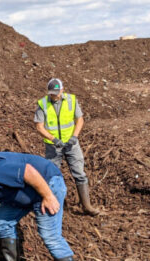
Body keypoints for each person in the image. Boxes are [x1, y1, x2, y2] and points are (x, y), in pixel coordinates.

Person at [34, 78, 100, 216]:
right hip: (53, 146)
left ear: (62, 90)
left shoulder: (71, 100)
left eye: (57, 93)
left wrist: (74, 136)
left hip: (71, 144)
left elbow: (79, 120)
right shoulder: (43, 104)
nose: (54, 96)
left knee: (79, 173)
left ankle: (86, 206)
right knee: (52, 175)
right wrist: (53, 139)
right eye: (52, 93)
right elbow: (39, 127)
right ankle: (54, 206)